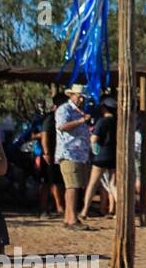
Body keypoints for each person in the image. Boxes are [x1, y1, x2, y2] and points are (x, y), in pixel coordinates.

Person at [54, 85, 92, 229]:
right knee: (72, 186)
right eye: (79, 96)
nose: (81, 99)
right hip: (69, 153)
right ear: (71, 95)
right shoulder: (64, 109)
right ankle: (72, 220)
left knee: (74, 186)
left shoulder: (79, 111)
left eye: (83, 97)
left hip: (79, 155)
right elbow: (62, 126)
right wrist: (81, 121)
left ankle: (68, 217)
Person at [80, 96, 118, 222]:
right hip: (115, 154)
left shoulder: (102, 121)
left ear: (104, 107)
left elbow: (94, 139)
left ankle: (84, 211)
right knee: (113, 184)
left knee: (93, 183)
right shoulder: (118, 121)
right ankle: (122, 210)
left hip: (102, 155)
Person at [38, 92, 66, 219]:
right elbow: (44, 135)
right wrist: (46, 153)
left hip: (57, 153)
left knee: (57, 182)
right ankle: (44, 209)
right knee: (47, 183)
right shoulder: (50, 118)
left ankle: (59, 207)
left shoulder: (61, 117)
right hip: (48, 155)